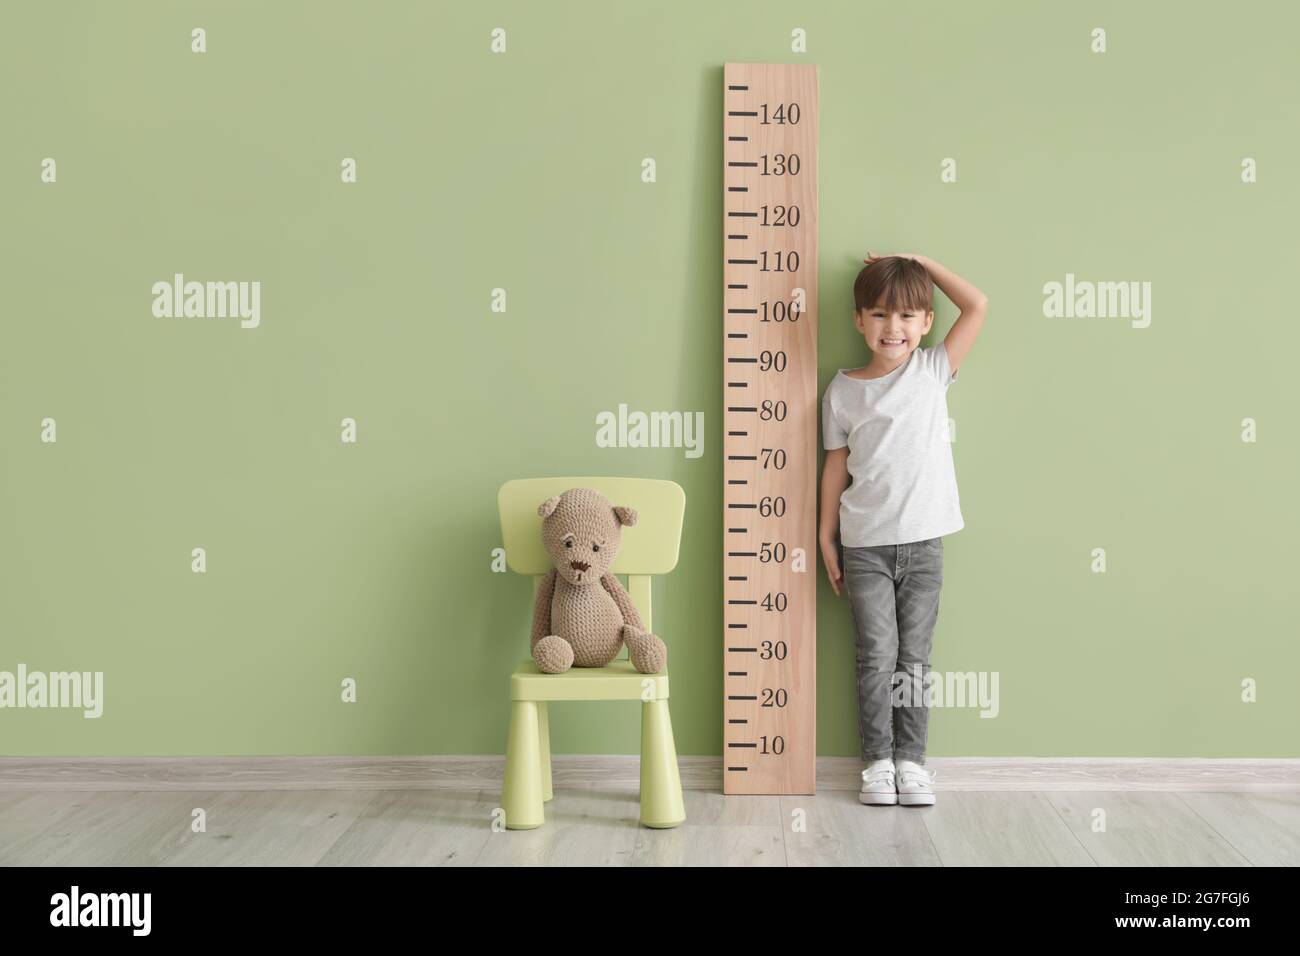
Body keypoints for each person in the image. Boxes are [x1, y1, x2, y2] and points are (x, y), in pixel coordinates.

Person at [819, 252, 988, 806]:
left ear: (925, 323)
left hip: (924, 544)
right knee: (876, 657)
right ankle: (877, 765)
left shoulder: (933, 370)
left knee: (915, 658)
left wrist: (920, 263)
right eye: (879, 315)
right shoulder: (842, 391)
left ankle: (913, 763)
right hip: (864, 544)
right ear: (858, 320)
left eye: (908, 316)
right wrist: (825, 535)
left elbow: (977, 304)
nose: (893, 328)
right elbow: (836, 465)